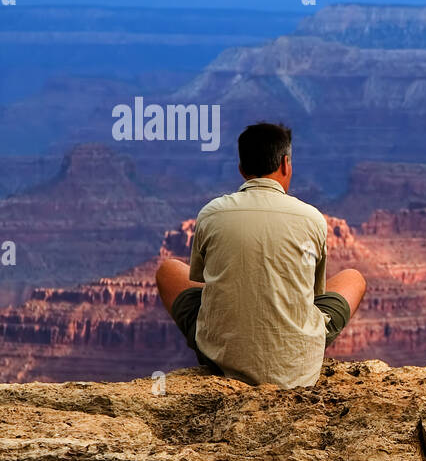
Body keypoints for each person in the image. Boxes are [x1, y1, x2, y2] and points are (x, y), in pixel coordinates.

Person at [155, 121, 366, 388]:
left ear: (242, 169)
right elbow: (315, 293)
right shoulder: (312, 218)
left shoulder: (212, 213)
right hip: (297, 367)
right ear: (286, 164)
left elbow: (199, 280)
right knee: (353, 277)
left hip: (221, 361)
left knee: (169, 270)